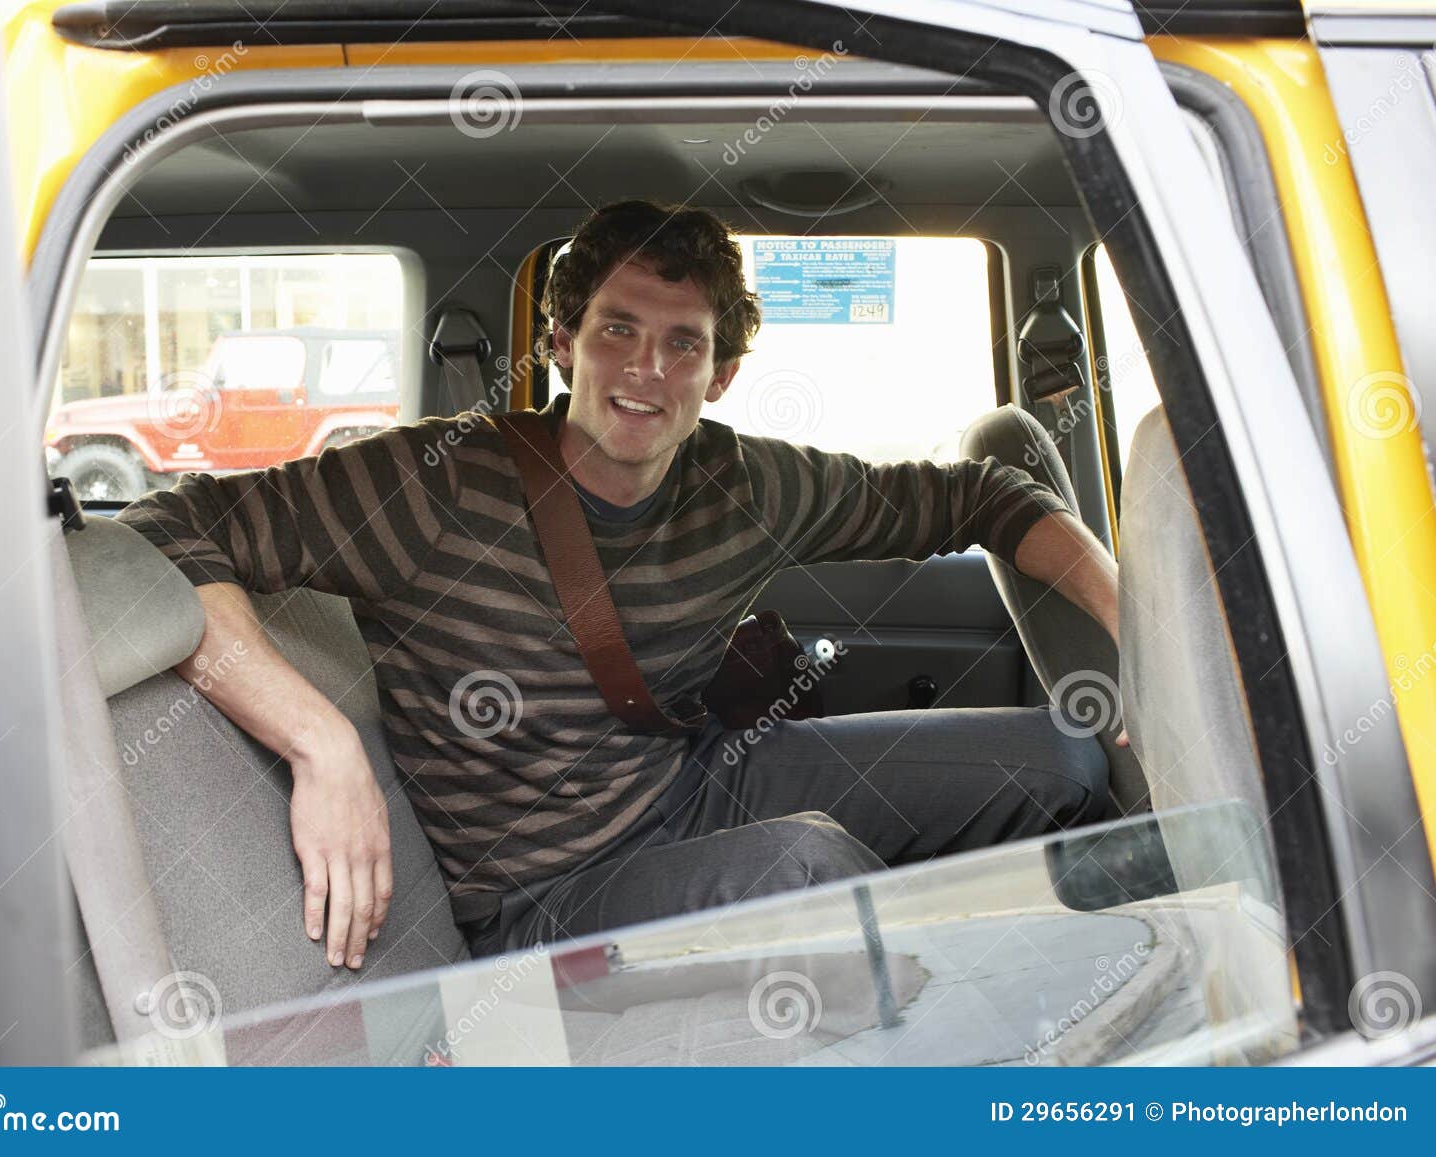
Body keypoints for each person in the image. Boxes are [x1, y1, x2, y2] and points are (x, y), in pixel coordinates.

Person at [116, 199, 1124, 970]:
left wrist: (1134, 623)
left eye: (683, 341)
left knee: (1065, 759)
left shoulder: (747, 482)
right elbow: (163, 528)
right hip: (543, 901)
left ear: (719, 373)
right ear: (562, 343)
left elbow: (984, 495)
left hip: (694, 784)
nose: (646, 368)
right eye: (617, 329)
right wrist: (316, 741)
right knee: (808, 867)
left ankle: (1162, 966)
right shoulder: (432, 485)